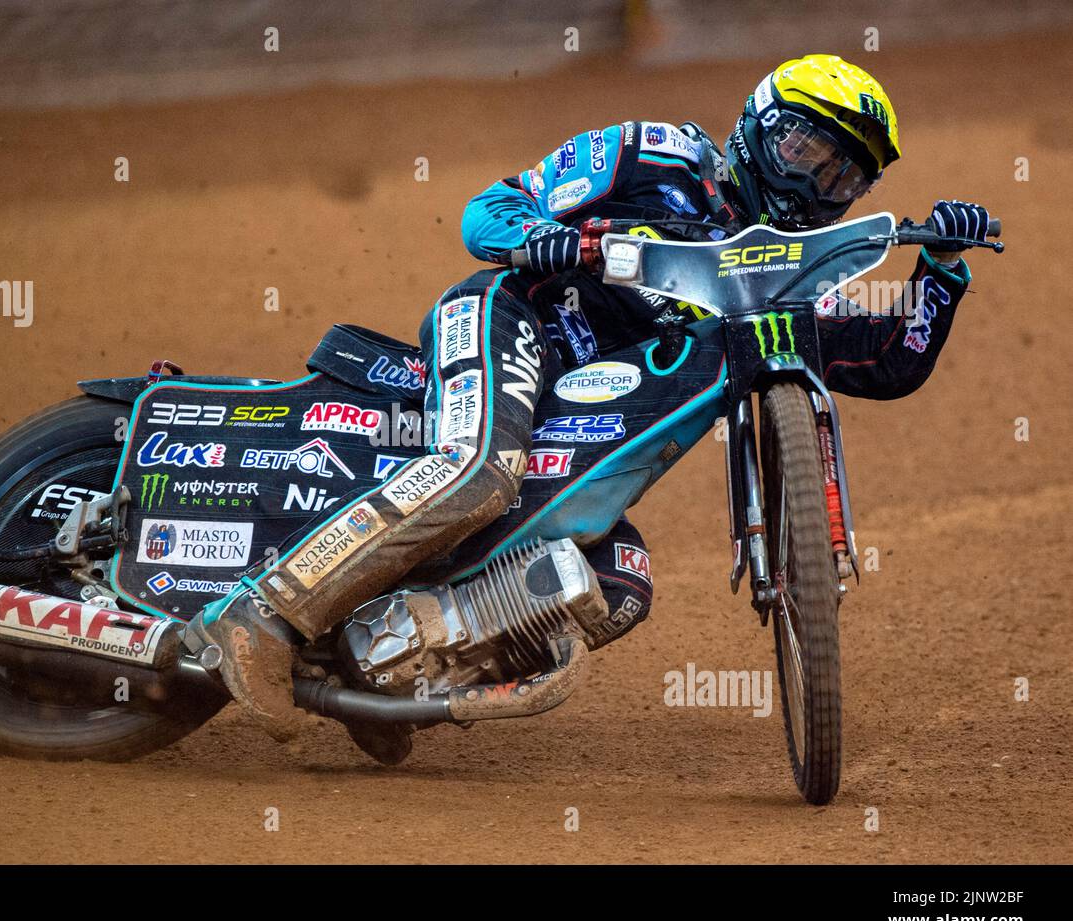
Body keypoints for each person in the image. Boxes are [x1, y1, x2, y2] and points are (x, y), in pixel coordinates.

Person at [184, 53, 992, 743]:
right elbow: (489, 208)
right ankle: (264, 616)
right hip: (509, 320)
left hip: (576, 419)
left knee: (617, 581)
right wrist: (541, 235)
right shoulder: (659, 155)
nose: (818, 183)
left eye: (843, 174)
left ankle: (386, 680)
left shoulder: (786, 285)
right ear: (758, 125)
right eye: (807, 149)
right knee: (480, 474)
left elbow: (890, 360)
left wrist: (944, 270)